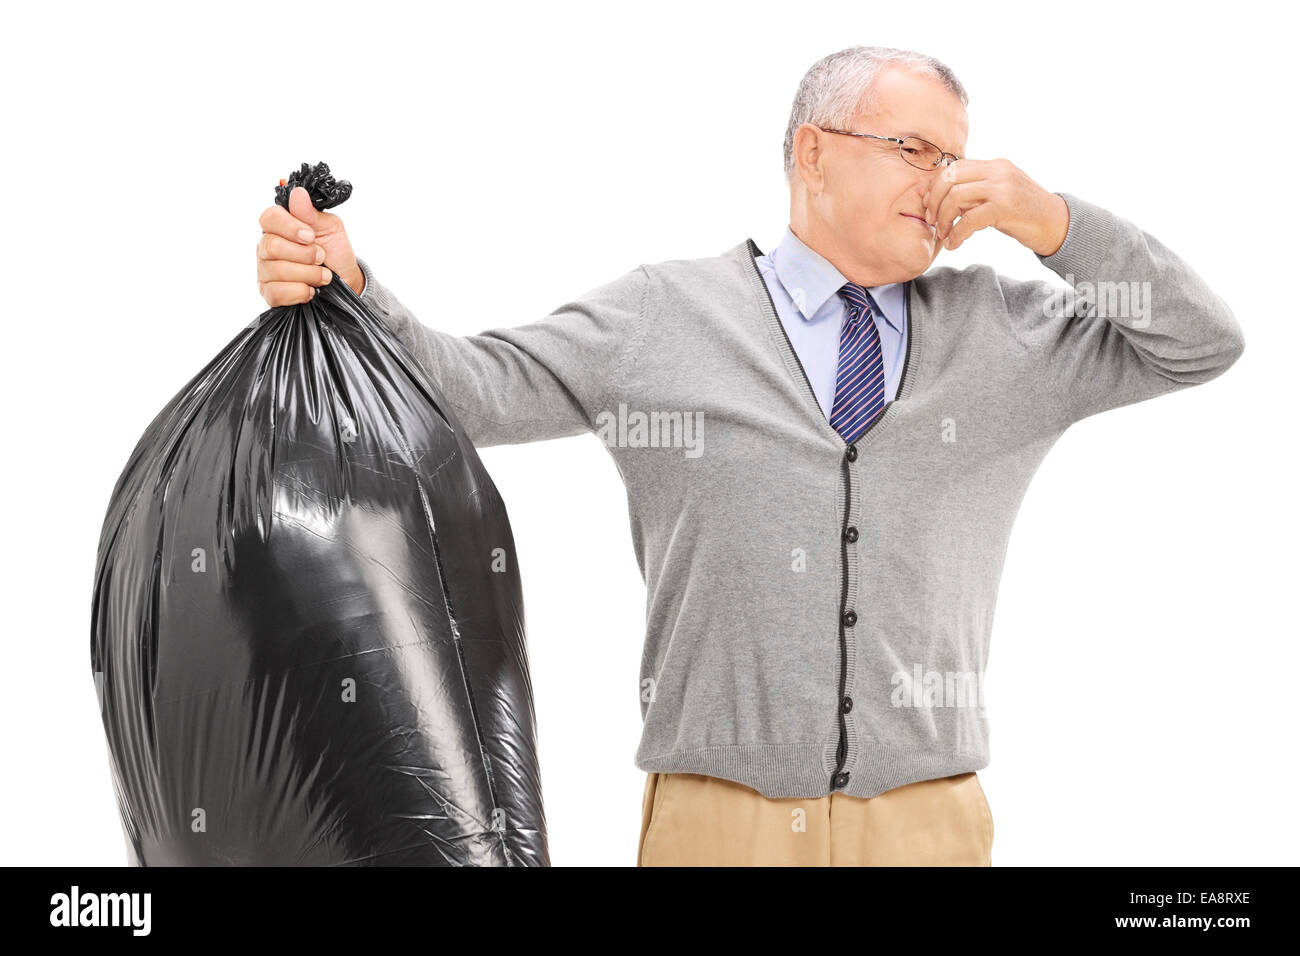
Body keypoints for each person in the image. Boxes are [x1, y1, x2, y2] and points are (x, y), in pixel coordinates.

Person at [254, 45, 1245, 866]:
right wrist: (348, 283)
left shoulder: (1006, 332)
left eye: (952, 158)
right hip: (716, 825)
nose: (943, 181)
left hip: (926, 826)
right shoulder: (662, 316)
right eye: (912, 148)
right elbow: (465, 389)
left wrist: (1055, 222)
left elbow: (1201, 340)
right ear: (811, 153)